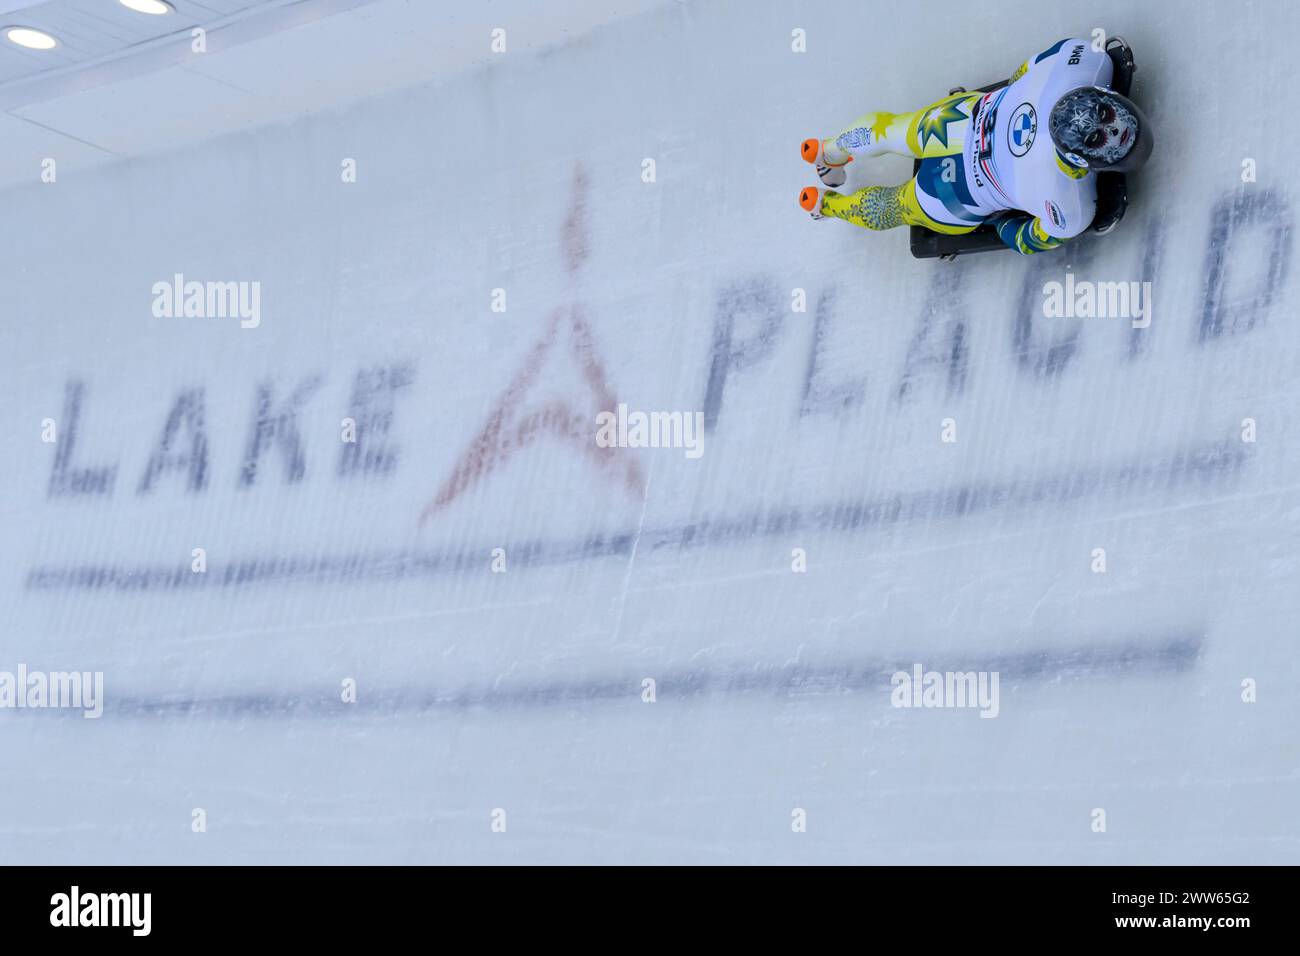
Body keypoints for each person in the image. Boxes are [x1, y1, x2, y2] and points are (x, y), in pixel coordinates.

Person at [798, 37, 1152, 254]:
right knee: (899, 207)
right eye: (1100, 135)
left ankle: (828, 150)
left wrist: (1008, 96)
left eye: (1105, 117)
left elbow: (1027, 69)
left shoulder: (1085, 59)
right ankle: (828, 206)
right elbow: (1025, 239)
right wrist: (1001, 223)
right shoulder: (1069, 206)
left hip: (955, 121)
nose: (1116, 130)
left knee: (889, 130)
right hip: (955, 194)